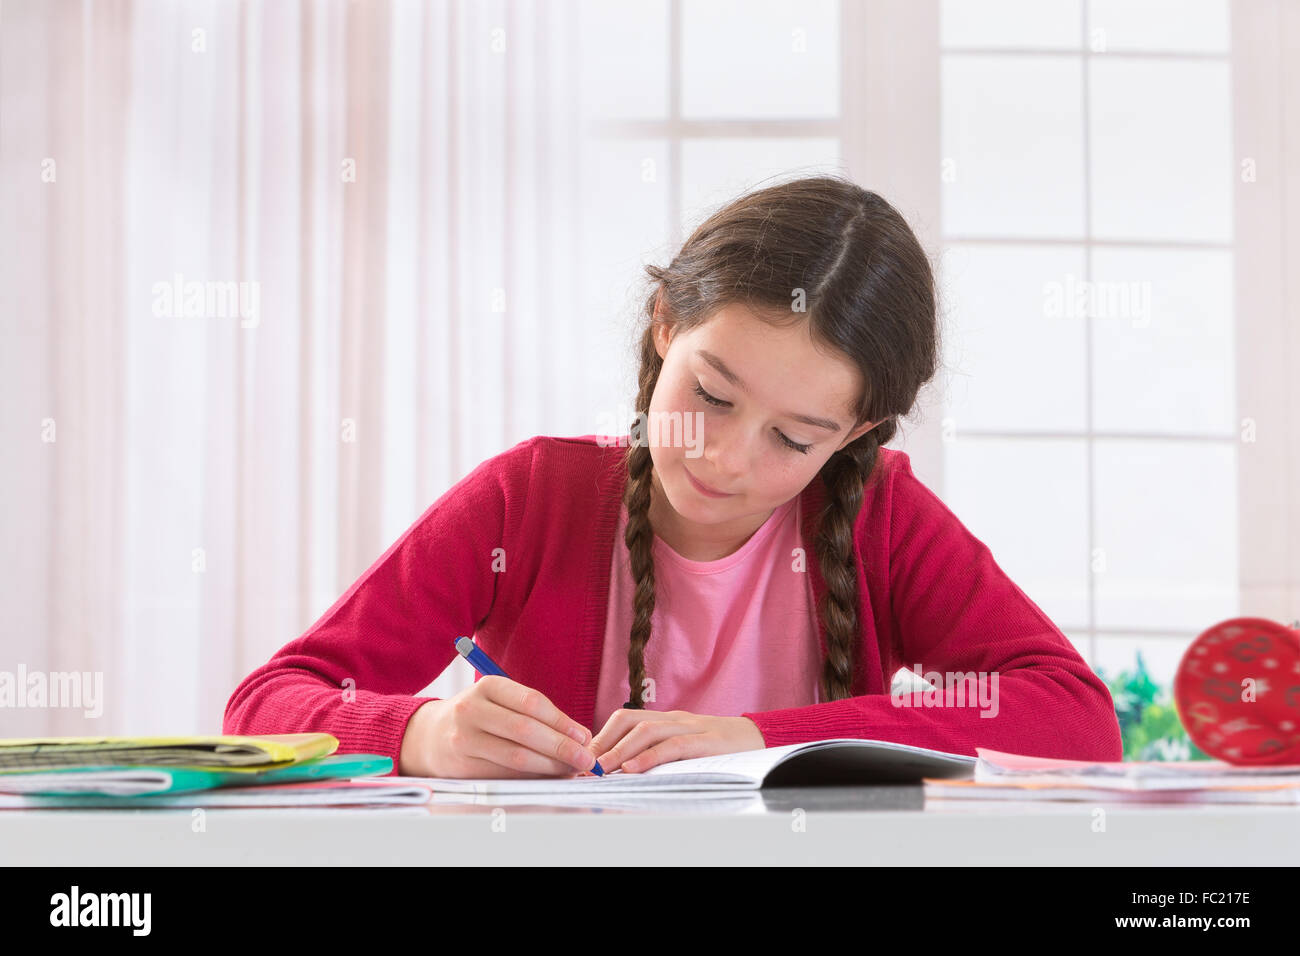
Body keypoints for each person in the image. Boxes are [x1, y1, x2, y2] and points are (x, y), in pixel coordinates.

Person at [224, 174, 1123, 778]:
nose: (725, 460)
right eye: (713, 394)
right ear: (665, 324)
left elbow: (1076, 722)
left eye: (796, 439)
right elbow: (267, 705)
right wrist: (423, 733)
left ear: (856, 434)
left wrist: (755, 742)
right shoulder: (530, 501)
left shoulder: (884, 518)